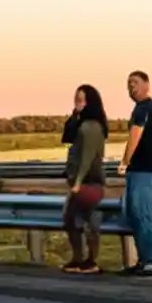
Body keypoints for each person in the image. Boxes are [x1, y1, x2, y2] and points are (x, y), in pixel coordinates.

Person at [117, 70, 152, 277]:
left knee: (142, 213)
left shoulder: (145, 108)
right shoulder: (143, 108)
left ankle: (151, 262)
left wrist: (124, 161)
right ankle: (143, 260)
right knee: (133, 213)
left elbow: (135, 135)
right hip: (139, 170)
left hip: (144, 169)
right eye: (129, 83)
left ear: (147, 85)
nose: (131, 87)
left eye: (135, 82)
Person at [61, 84, 108, 274]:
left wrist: (78, 182)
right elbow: (67, 138)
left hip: (89, 182)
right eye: (76, 100)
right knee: (73, 219)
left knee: (82, 219)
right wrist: (74, 115)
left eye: (81, 100)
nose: (77, 103)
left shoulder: (91, 127)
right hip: (83, 182)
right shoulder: (82, 125)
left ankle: (89, 260)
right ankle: (80, 259)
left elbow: (88, 157)